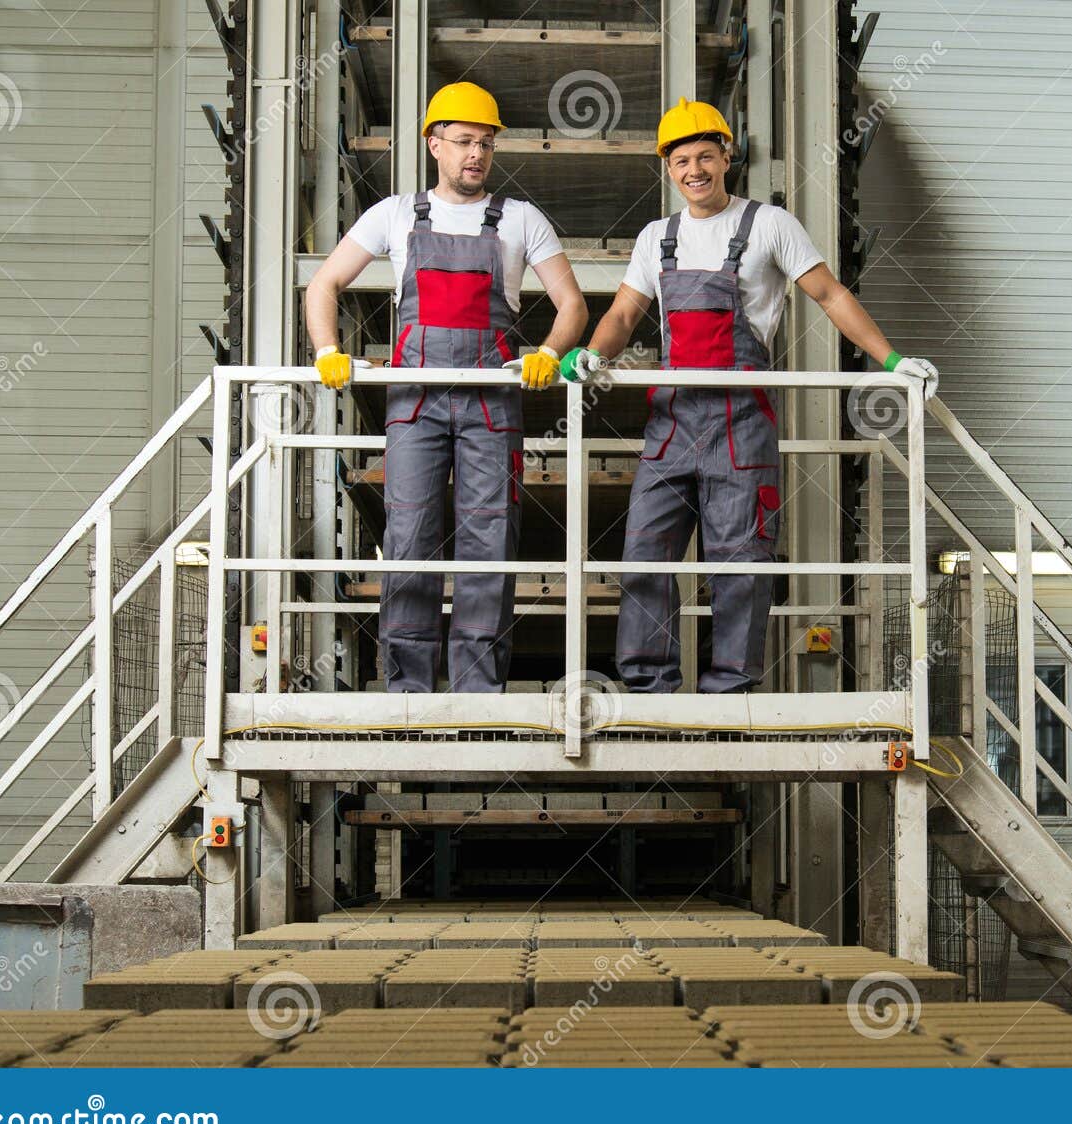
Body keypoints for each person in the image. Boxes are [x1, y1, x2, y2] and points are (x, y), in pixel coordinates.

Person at [561, 97, 936, 694]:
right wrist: (593, 355)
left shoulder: (769, 224)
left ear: (726, 156)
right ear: (668, 168)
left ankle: (728, 692)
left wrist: (890, 360)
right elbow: (625, 313)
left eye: (705, 156)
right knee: (644, 553)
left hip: (741, 422)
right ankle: (650, 689)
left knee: (740, 562)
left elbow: (830, 295)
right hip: (672, 419)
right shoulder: (658, 237)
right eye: (681, 161)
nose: (695, 170)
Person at [305, 81, 587, 692]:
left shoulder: (520, 219)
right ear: (434, 144)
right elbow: (323, 284)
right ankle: (408, 691)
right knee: (410, 536)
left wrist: (549, 353)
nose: (475, 154)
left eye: (485, 143)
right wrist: (328, 351)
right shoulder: (394, 215)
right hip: (417, 402)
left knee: (490, 539)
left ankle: (478, 695)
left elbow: (572, 304)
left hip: (491, 403)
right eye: (462, 141)